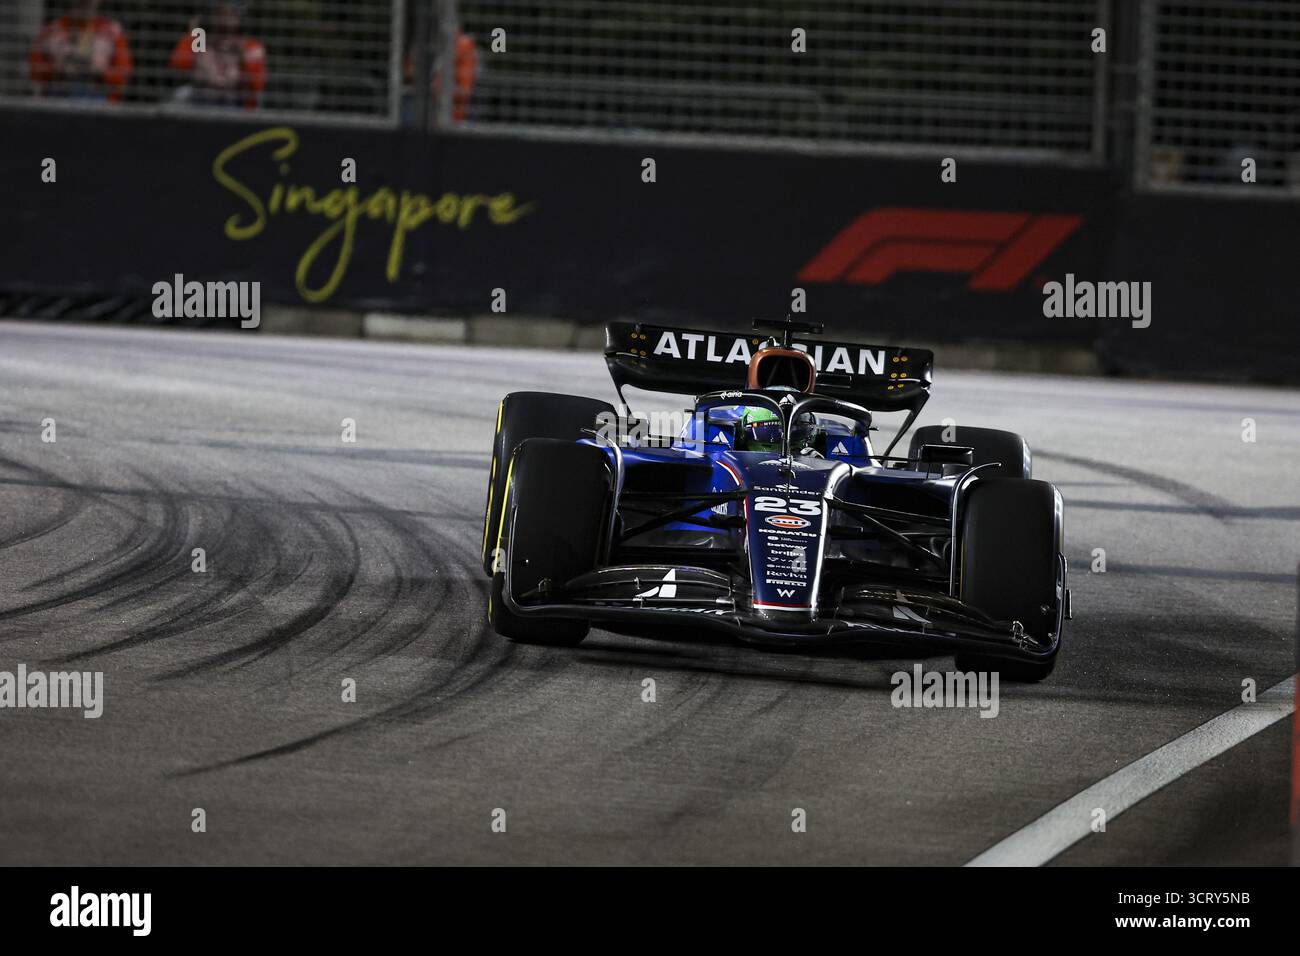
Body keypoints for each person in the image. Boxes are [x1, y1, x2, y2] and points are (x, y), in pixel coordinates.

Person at [28, 0, 133, 104]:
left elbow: (123, 73)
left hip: (100, 104)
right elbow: (35, 71)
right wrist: (58, 67)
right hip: (58, 101)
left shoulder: (113, 31)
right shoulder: (51, 31)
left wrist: (98, 71)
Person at [169, 1, 266, 110]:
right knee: (181, 94)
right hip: (202, 101)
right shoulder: (201, 41)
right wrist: (194, 34)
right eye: (218, 13)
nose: (223, 19)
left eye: (229, 14)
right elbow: (179, 65)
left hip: (236, 104)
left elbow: (256, 85)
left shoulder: (249, 45)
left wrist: (241, 53)